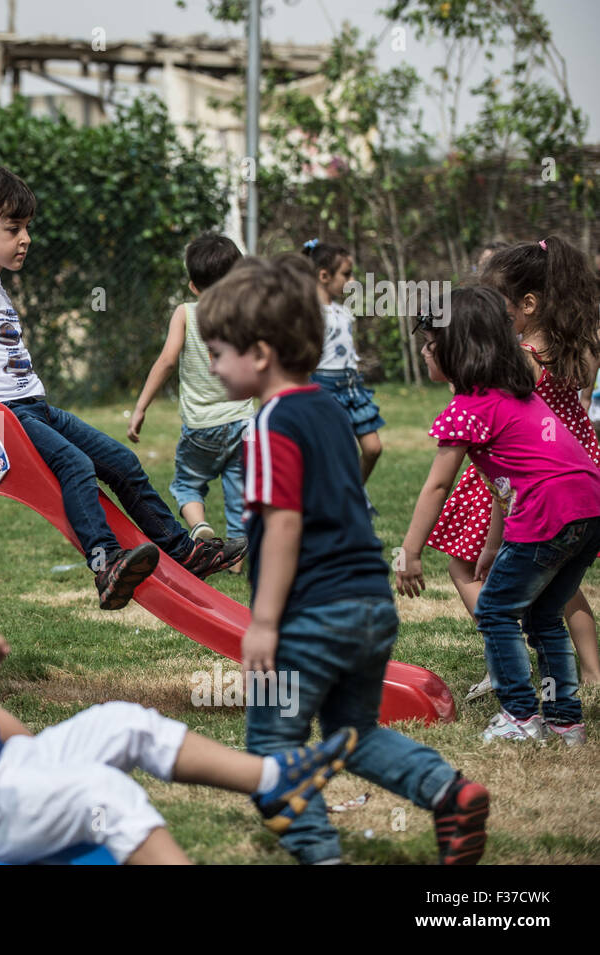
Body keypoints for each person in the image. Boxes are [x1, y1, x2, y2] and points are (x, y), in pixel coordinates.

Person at [0, 505, 357, 864]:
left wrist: (42, 761)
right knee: (104, 792)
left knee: (123, 721)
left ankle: (271, 780)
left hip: (2, 778)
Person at [198, 255, 490, 865]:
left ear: (258, 353)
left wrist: (266, 622)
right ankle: (449, 793)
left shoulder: (272, 424)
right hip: (369, 610)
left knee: (273, 748)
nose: (211, 364)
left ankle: (319, 856)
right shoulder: (329, 410)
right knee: (352, 734)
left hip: (308, 623)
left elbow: (281, 525)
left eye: (216, 351)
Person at [0, 164, 245, 613]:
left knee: (123, 463)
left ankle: (183, 551)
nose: (25, 238)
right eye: (13, 229)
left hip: (34, 408)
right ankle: (106, 564)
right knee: (75, 463)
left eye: (26, 227)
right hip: (3, 416)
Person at [399, 286, 600, 746]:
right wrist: (493, 548)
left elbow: (436, 486)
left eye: (429, 345)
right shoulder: (517, 394)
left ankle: (520, 716)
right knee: (546, 614)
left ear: (453, 350)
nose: (426, 353)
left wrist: (409, 552)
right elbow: (501, 488)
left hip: (550, 513)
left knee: (493, 610)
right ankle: (566, 722)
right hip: (589, 505)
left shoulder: (467, 409)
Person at [428, 236, 600, 698]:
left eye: (501, 309)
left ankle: (506, 660)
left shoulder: (522, 356)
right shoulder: (578, 346)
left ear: (527, 303)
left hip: (517, 466)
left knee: (465, 566)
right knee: (560, 582)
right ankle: (592, 672)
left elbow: (485, 402)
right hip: (573, 460)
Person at [129, 232, 252, 550]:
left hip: (201, 426)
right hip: (242, 422)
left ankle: (199, 524)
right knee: (238, 489)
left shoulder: (186, 313)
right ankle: (237, 557)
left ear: (194, 286)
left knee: (186, 484)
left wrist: (141, 407)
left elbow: (167, 360)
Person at [302, 239, 384, 489]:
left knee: (373, 448)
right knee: (331, 455)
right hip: (324, 388)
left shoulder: (343, 311)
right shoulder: (309, 312)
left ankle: (350, 496)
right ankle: (328, 504)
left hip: (352, 388)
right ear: (324, 275)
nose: (351, 281)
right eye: (346, 275)